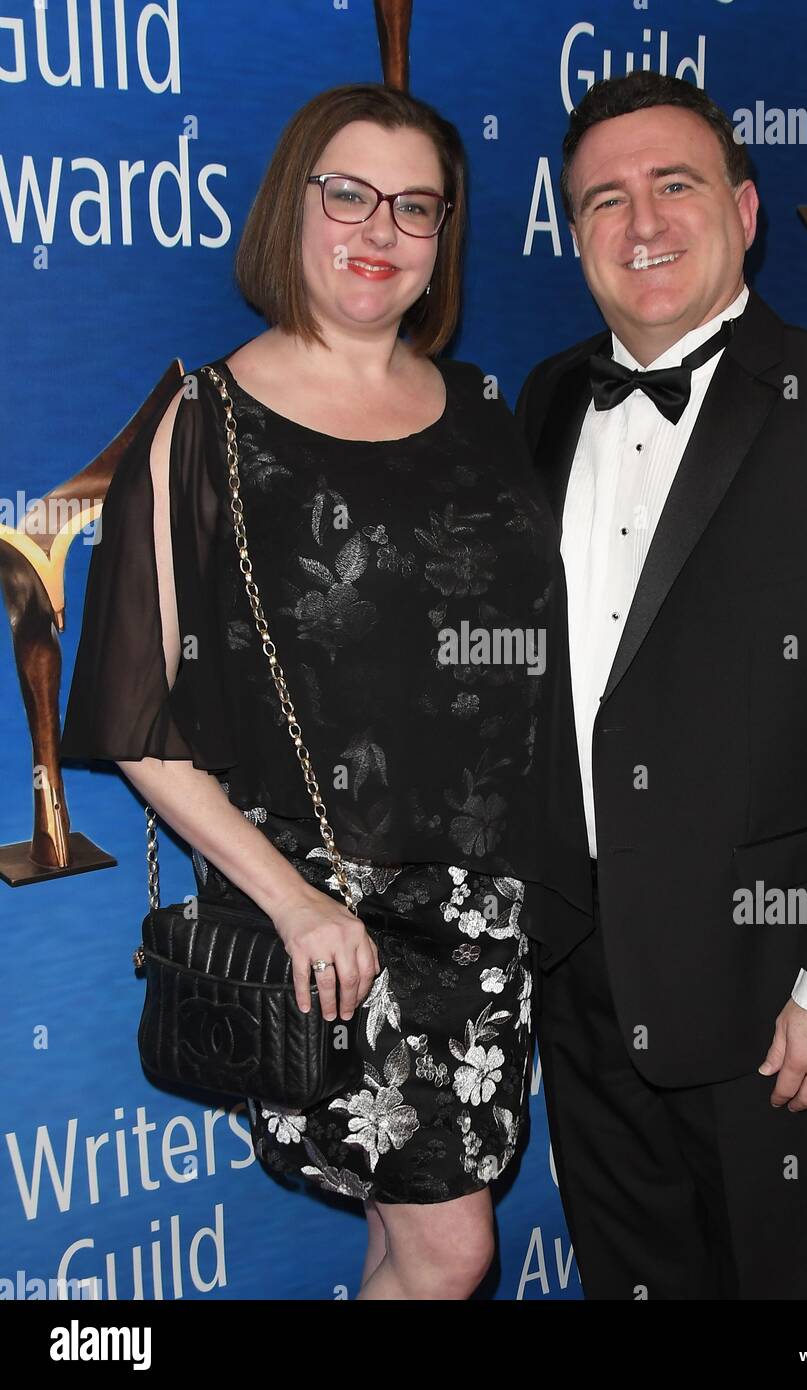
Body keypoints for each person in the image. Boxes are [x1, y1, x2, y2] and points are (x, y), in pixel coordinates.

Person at [60, 82, 592, 1301]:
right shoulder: (198, 425)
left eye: (417, 206)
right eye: (347, 192)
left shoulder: (482, 410)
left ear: (445, 236)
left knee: (411, 1241)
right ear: (289, 206)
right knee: (455, 1247)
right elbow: (139, 725)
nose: (380, 228)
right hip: (326, 921)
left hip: (481, 913)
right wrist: (297, 904)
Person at [516, 71, 807, 1300]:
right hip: (581, 977)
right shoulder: (546, 401)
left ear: (748, 208)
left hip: (776, 995)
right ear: (572, 232)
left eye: (675, 184)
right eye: (603, 199)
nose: (641, 222)